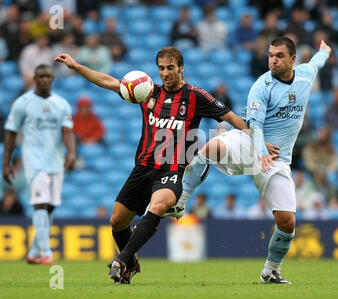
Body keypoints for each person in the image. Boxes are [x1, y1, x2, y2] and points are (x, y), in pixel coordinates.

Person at [54, 46, 248, 284]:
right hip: (143, 167)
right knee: (117, 222)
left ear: (181, 68)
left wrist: (257, 142)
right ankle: (132, 263)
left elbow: (230, 116)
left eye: (170, 68)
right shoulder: (146, 92)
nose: (165, 73)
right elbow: (109, 81)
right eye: (161, 69)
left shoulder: (196, 96)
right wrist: (76, 66)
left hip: (172, 168)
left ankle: (121, 261)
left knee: (157, 206)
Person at [169, 37, 331, 284]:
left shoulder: (306, 75)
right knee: (212, 145)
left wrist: (324, 52)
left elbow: (317, 63)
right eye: (270, 55)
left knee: (287, 222)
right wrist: (261, 152)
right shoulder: (261, 85)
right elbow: (254, 125)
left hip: (277, 159)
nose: (273, 60)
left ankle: (270, 271)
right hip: (252, 143)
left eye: (279, 55)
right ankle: (180, 199)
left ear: (293, 60)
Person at [2, 64, 76, 265]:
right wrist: (6, 162)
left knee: (50, 206)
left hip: (55, 161)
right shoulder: (22, 103)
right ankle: (46, 252)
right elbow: (11, 132)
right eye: (41, 76)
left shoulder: (62, 104)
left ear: (52, 79)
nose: (44, 79)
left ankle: (34, 251)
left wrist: (72, 153)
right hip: (34, 161)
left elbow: (67, 130)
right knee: (40, 203)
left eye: (48, 76)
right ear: (34, 78)